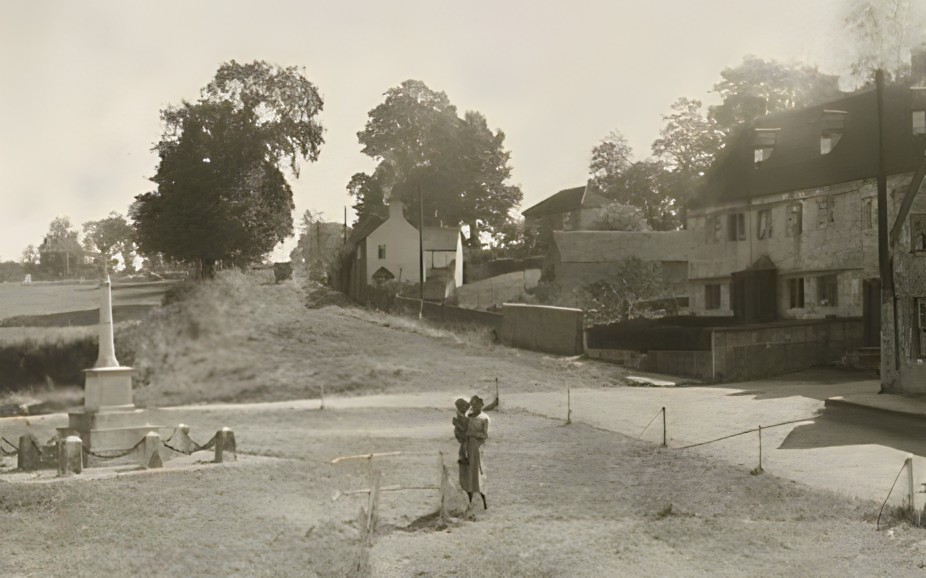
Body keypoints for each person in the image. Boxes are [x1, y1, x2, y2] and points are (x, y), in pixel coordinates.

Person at [462, 394, 489, 511]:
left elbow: (485, 435)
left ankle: (481, 501)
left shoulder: (484, 419)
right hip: (468, 446)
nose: (475, 407)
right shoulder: (469, 417)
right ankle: (470, 499)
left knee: (477, 472)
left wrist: (473, 434)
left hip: (477, 447)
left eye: (477, 406)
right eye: (473, 405)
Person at [453, 397, 470, 465]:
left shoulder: (461, 414)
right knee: (464, 444)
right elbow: (460, 425)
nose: (466, 408)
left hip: (461, 431)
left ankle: (462, 457)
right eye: (464, 407)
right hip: (461, 432)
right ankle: (463, 457)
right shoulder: (460, 415)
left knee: (464, 444)